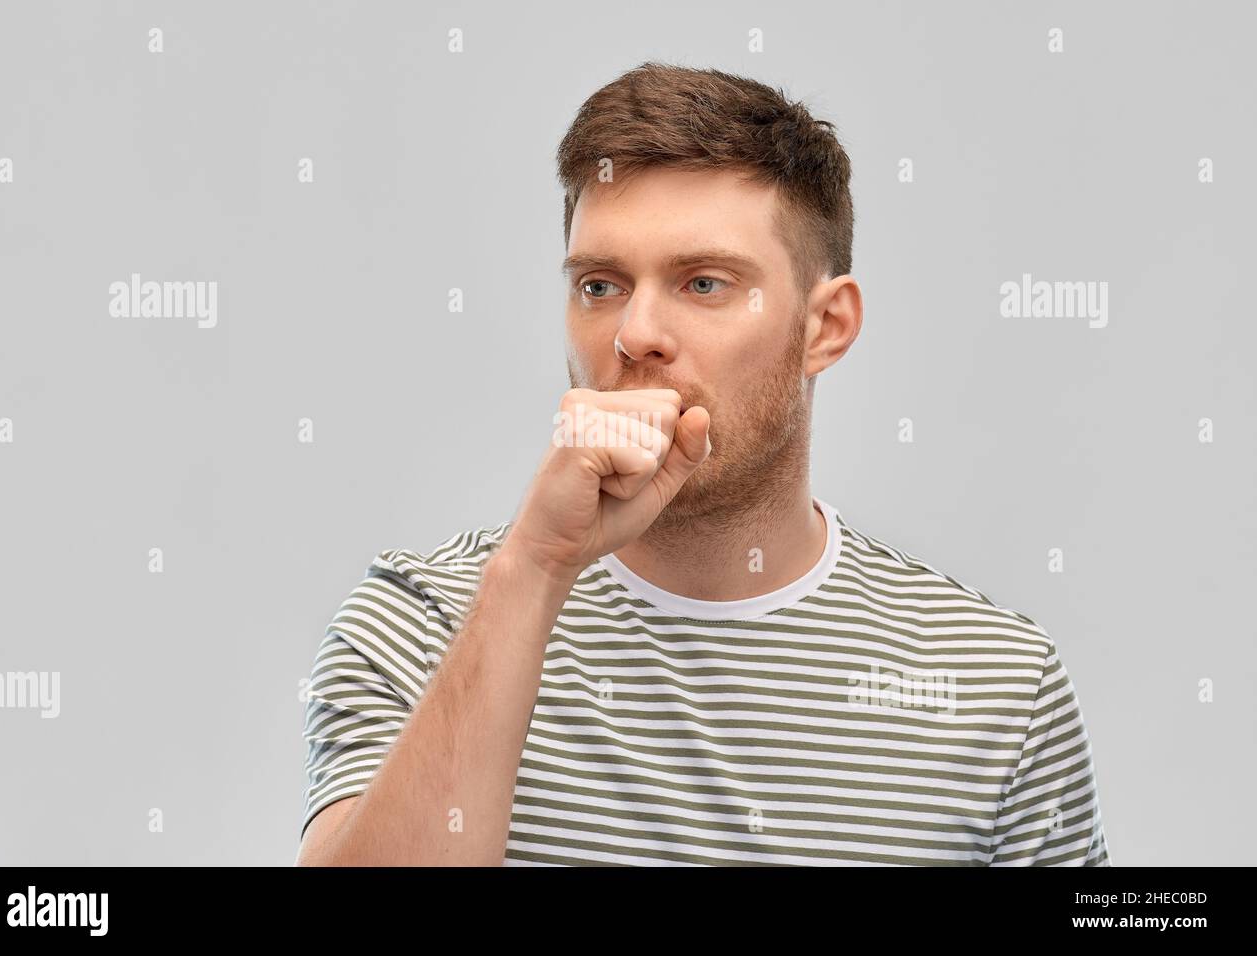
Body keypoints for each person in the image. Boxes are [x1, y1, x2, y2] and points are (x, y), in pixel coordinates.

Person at [296, 61, 1110, 867]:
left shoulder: (998, 682)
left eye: (705, 282)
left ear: (825, 328)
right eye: (601, 285)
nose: (635, 333)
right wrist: (536, 570)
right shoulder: (418, 624)